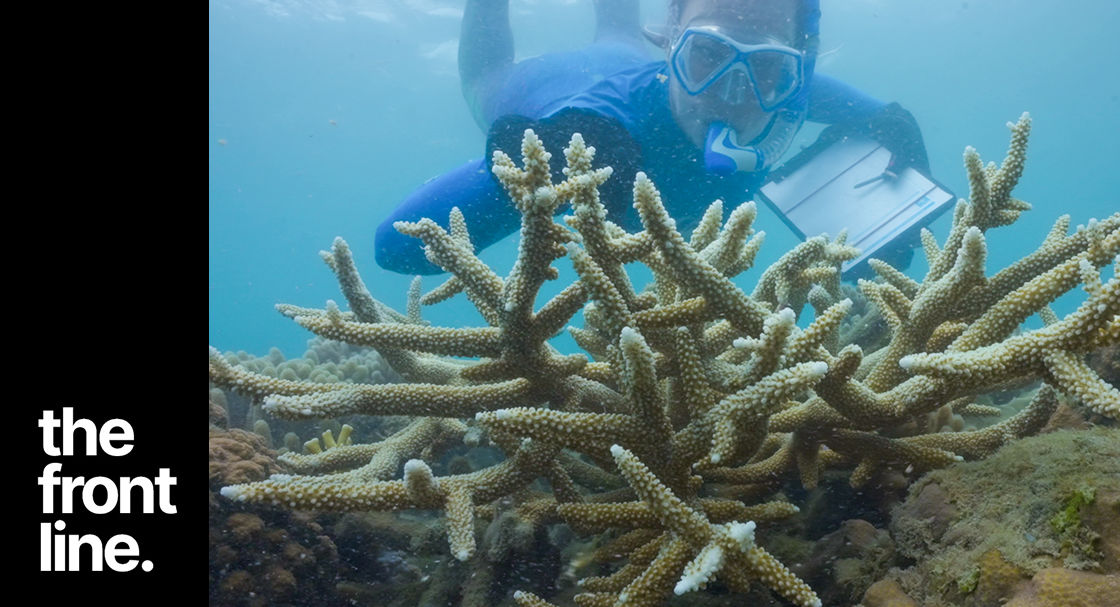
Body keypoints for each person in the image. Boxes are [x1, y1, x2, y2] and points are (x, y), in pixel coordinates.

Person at [375, 0, 929, 276]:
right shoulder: (588, 138)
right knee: (483, 77)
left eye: (765, 64)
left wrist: (895, 123)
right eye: (707, 53)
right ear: (669, 43)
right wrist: (527, 179)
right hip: (538, 88)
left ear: (798, 71)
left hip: (624, 56)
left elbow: (880, 117)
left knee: (617, 33)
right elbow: (393, 247)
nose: (730, 92)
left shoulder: (792, 93)